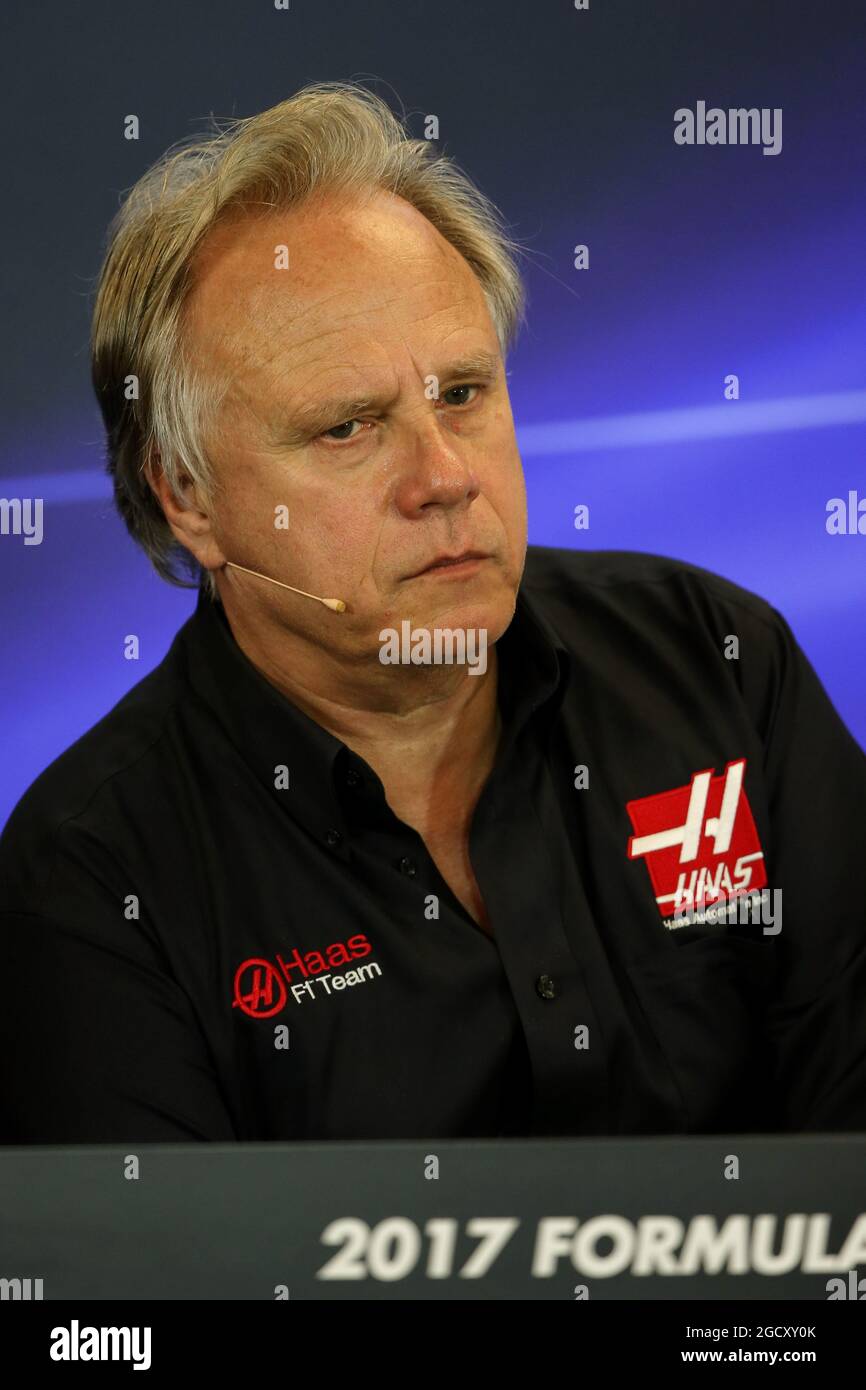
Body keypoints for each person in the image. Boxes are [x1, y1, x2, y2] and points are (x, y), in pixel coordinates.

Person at [1, 82, 864, 1143]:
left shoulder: (720, 665)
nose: (444, 476)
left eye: (461, 393)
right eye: (347, 427)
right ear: (188, 495)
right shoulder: (92, 880)